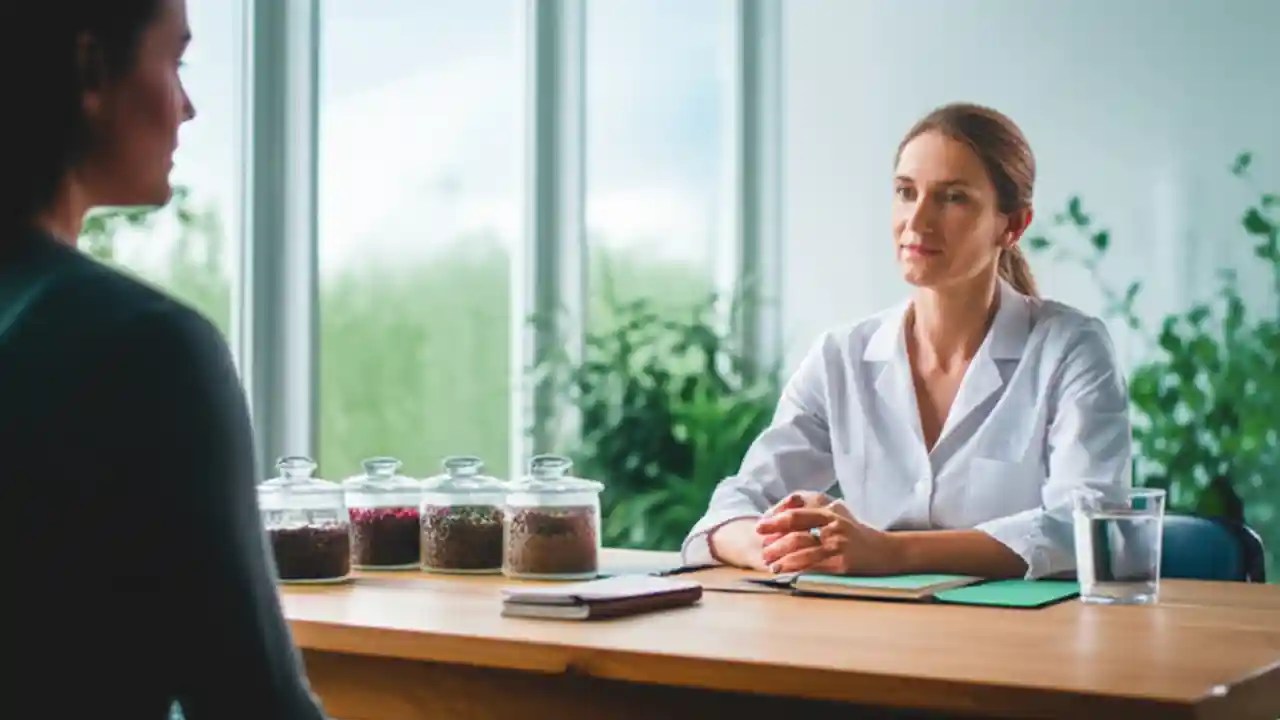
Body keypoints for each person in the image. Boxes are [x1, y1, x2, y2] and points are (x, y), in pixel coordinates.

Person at [1, 2, 328, 718]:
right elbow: (253, 704)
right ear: (91, 69)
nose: (188, 107)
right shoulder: (146, 348)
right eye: (174, 60)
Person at [684, 102, 1132, 580]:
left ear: (1013, 225)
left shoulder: (1070, 349)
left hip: (1017, 641)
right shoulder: (842, 357)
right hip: (871, 635)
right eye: (905, 192)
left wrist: (892, 552)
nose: (916, 221)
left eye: (952, 198)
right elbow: (735, 506)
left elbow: (1090, 530)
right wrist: (774, 546)